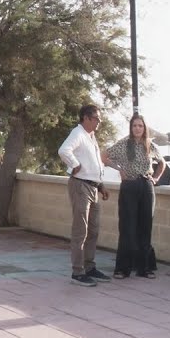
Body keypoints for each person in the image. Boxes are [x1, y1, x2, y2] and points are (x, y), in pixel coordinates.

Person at [105, 114, 166, 279]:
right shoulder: (124, 144)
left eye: (140, 126)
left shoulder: (150, 145)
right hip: (129, 185)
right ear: (131, 128)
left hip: (146, 185)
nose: (137, 128)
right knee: (127, 227)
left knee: (145, 227)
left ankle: (144, 268)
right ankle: (122, 269)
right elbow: (104, 156)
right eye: (134, 126)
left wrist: (156, 178)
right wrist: (119, 169)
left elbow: (162, 163)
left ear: (144, 128)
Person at [57, 104, 111, 287]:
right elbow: (64, 150)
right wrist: (74, 165)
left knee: (93, 229)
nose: (99, 122)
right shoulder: (78, 133)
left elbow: (94, 163)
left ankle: (90, 266)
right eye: (96, 118)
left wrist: (101, 185)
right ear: (86, 118)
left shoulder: (91, 137)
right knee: (81, 230)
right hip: (80, 186)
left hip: (93, 187)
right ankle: (78, 271)